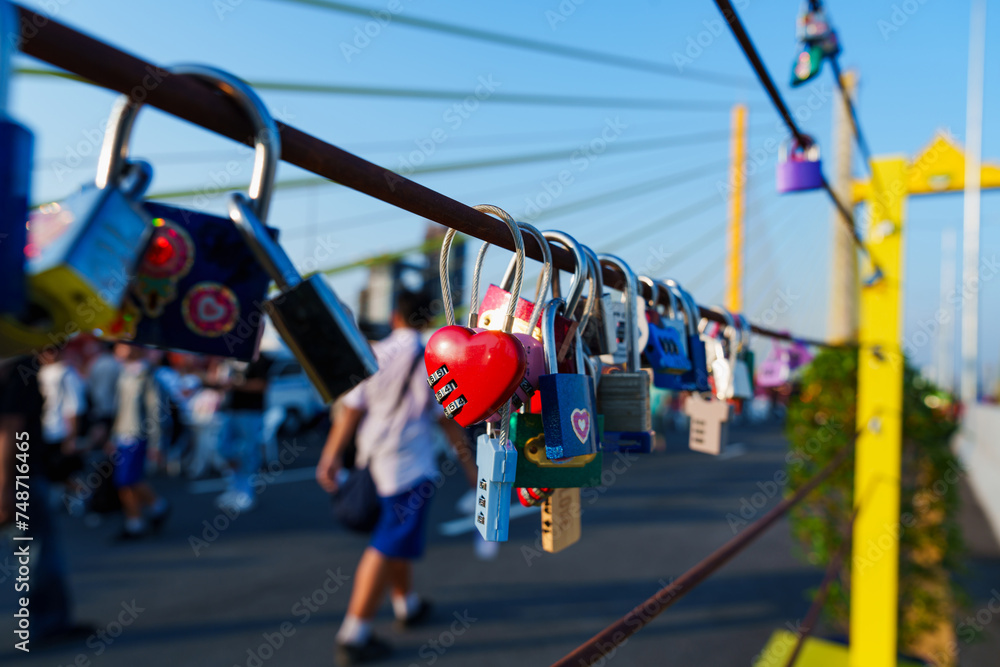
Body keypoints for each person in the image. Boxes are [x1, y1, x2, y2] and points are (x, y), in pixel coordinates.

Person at [316, 290, 472, 666]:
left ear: (394, 316)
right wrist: (471, 466)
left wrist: (330, 457)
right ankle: (353, 634)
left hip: (373, 458)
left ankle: (408, 604)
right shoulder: (435, 360)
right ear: (429, 318)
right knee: (387, 543)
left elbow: (351, 411)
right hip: (410, 466)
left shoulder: (372, 352)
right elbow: (445, 419)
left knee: (393, 535)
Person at [0, 355, 94, 643]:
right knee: (36, 553)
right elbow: (10, 428)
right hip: (18, 475)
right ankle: (48, 622)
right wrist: (6, 487)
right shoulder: (17, 365)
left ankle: (49, 619)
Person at [110, 344, 170, 540]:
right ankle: (155, 507)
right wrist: (113, 435)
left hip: (138, 435)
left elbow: (157, 412)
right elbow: (119, 409)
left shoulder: (148, 375)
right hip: (123, 434)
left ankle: (137, 521)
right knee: (128, 480)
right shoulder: (124, 372)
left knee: (127, 480)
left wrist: (156, 444)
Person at [215, 353, 271, 512]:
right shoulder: (229, 358)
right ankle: (235, 487)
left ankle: (246, 492)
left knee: (249, 452)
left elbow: (262, 385)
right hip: (231, 410)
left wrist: (237, 385)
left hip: (250, 411)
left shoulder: (260, 359)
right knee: (224, 448)